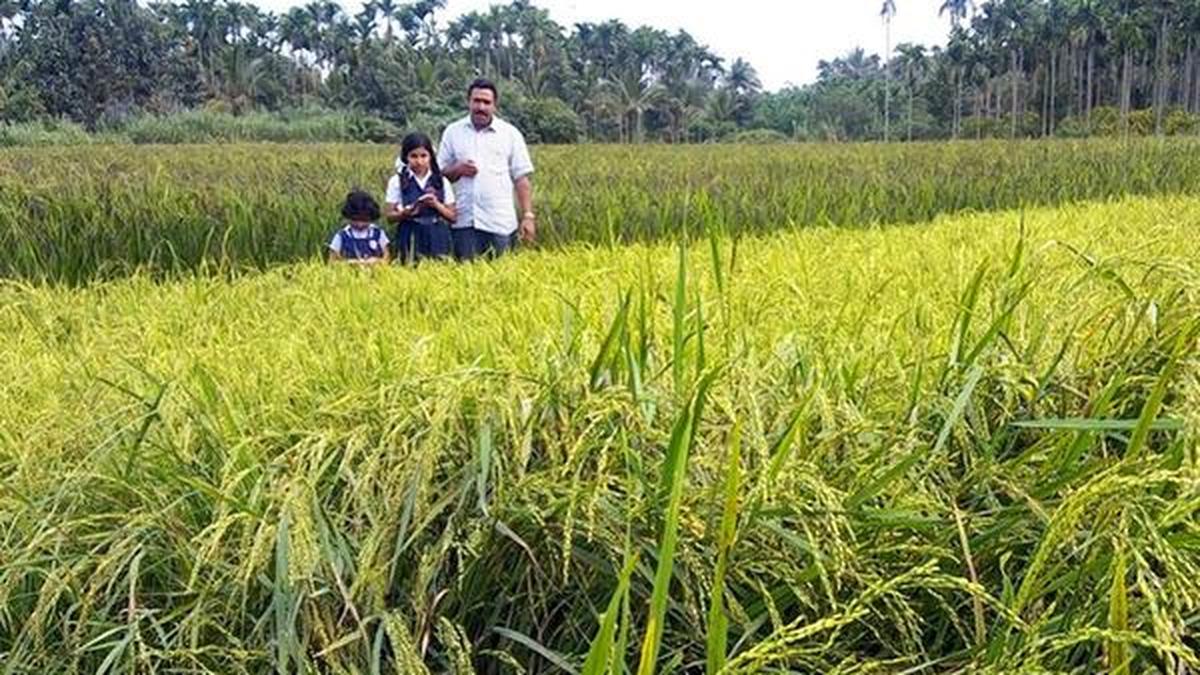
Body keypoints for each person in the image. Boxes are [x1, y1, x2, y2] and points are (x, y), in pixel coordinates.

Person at [438, 78, 536, 261]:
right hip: (464, 221)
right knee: (465, 281)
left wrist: (528, 216)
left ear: (495, 105)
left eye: (486, 102)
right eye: (476, 101)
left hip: (500, 222)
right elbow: (439, 175)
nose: (481, 107)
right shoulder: (453, 132)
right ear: (468, 102)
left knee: (503, 279)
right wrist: (457, 169)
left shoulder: (510, 134)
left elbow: (521, 179)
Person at [385, 132, 457, 264]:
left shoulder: (441, 181)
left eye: (423, 156)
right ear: (405, 157)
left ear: (430, 156)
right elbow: (389, 216)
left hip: (437, 234)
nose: (419, 161)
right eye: (413, 156)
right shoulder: (397, 181)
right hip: (409, 232)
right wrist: (405, 213)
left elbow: (453, 217)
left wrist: (436, 205)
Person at [328, 190, 390, 265]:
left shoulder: (378, 234)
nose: (360, 224)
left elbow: (387, 259)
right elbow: (331, 262)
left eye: (364, 220)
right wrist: (350, 263)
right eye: (356, 220)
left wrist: (376, 261)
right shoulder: (341, 236)